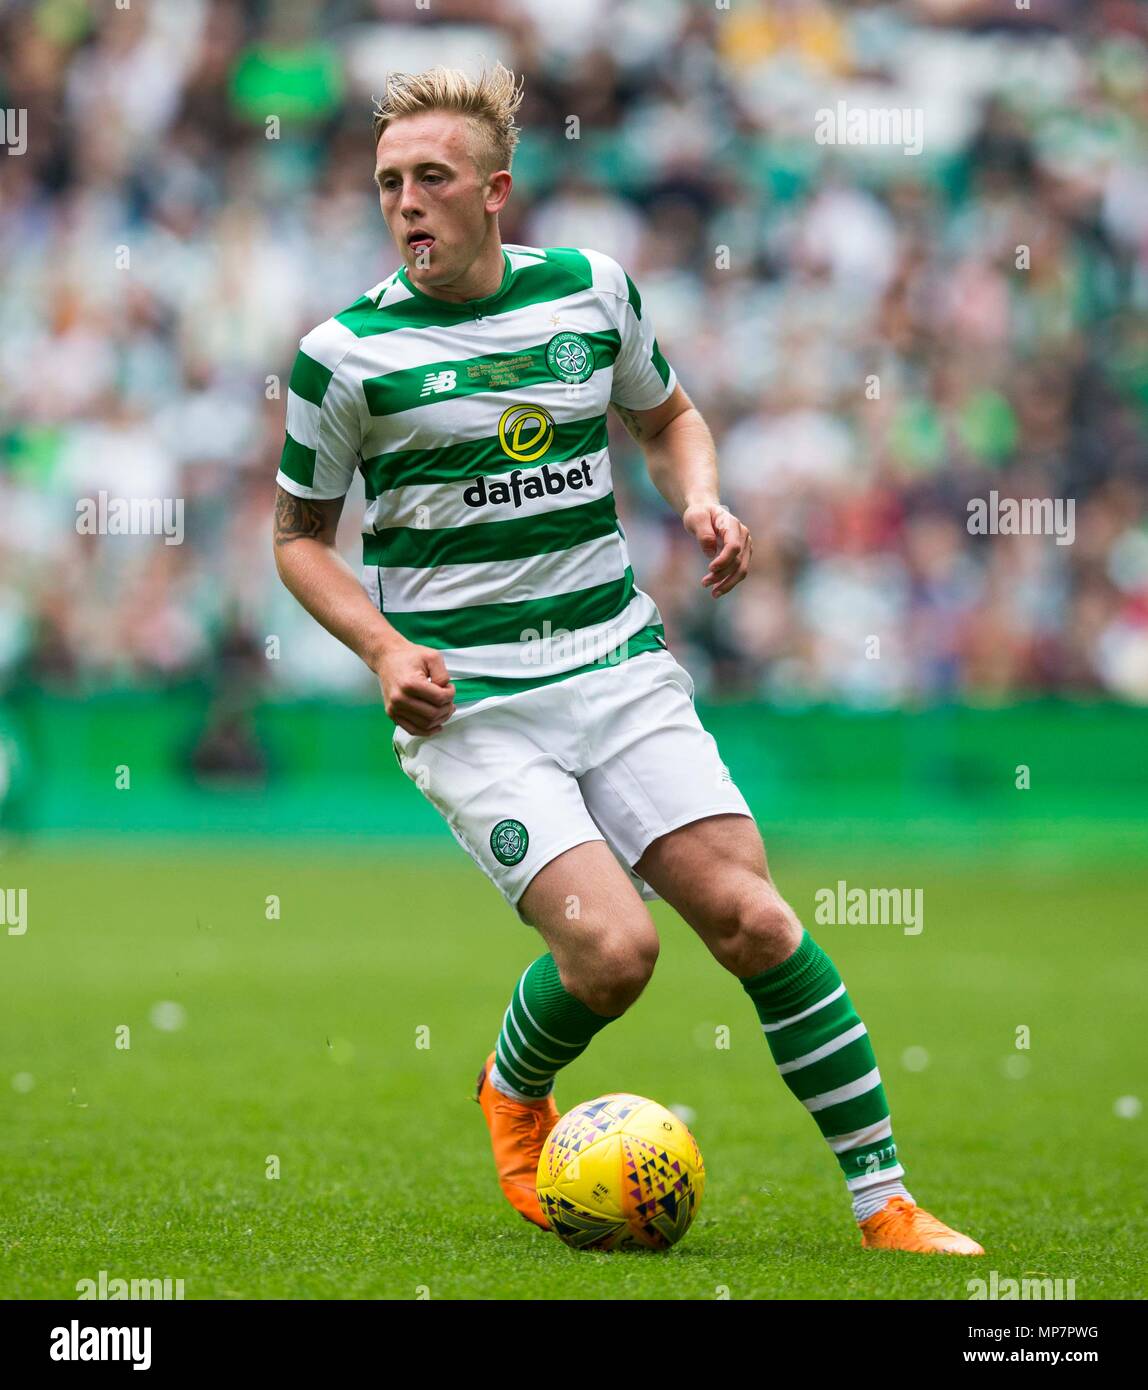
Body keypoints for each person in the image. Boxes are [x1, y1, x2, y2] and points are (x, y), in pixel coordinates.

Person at [272, 63, 982, 1256]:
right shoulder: (341, 355)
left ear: (495, 190)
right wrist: (384, 646)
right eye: (389, 181)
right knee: (613, 951)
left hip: (617, 666)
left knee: (753, 923)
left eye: (431, 178)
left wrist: (701, 501)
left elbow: (666, 418)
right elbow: (297, 541)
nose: (405, 202)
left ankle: (884, 1204)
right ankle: (511, 1091)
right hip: (478, 705)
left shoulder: (590, 293)